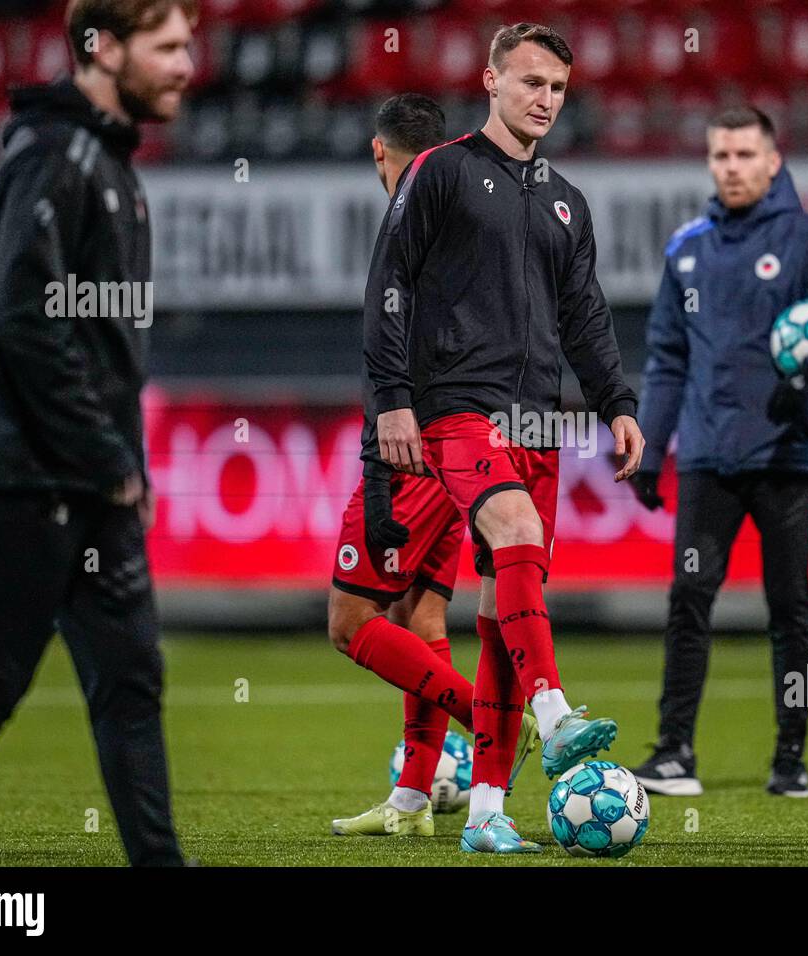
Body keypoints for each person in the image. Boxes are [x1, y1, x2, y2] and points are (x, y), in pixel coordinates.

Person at [0, 0, 197, 867]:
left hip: (91, 483)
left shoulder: (104, 162)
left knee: (131, 684)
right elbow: (25, 322)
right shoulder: (54, 158)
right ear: (103, 49)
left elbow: (88, 344)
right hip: (34, 478)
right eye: (169, 46)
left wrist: (119, 471)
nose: (187, 66)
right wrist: (110, 462)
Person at [355, 22, 645, 853]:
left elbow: (585, 315)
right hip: (457, 407)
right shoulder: (439, 172)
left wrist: (617, 402)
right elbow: (390, 283)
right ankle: (554, 719)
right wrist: (392, 399)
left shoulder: (566, 200)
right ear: (489, 81)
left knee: (501, 616)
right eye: (530, 83)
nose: (545, 100)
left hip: (539, 421)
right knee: (514, 530)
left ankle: (484, 813)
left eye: (557, 88)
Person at [628, 107, 808, 799]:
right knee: (689, 597)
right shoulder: (686, 248)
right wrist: (652, 447)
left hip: (787, 454)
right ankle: (674, 754)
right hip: (709, 455)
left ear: (773, 161)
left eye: (745, 155)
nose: (732, 167)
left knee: (790, 607)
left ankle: (789, 758)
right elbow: (666, 357)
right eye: (721, 156)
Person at [328, 93, 539, 838]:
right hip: (474, 443)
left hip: (416, 447)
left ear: (377, 152)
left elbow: (389, 349)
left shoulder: (408, 218)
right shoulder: (468, 209)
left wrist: (381, 470)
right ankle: (414, 797)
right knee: (417, 614)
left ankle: (486, 723)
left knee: (350, 621)